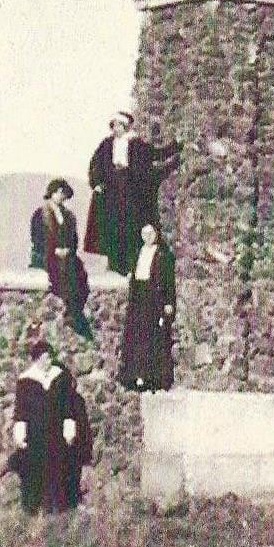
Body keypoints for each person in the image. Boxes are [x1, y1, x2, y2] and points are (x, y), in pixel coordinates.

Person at [84, 111, 180, 275]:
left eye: (119, 125)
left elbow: (154, 154)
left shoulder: (136, 144)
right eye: (114, 125)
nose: (116, 128)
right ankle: (114, 263)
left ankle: (129, 264)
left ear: (126, 126)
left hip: (129, 190)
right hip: (111, 191)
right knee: (112, 227)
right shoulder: (107, 144)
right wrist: (96, 183)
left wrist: (174, 148)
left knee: (130, 226)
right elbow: (95, 164)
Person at [10, 340, 94, 515]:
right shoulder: (26, 381)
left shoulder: (60, 377)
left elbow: (67, 405)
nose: (48, 361)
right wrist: (20, 433)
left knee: (59, 467)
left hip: (56, 432)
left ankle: (60, 505)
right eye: (44, 358)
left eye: (50, 357)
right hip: (36, 434)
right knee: (36, 468)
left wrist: (69, 428)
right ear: (36, 359)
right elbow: (21, 410)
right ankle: (35, 507)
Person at [30, 178, 92, 339]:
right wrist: (53, 250)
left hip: (66, 254)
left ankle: (74, 311)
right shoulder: (40, 214)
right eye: (58, 192)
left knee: (79, 272)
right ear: (52, 193)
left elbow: (74, 239)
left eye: (63, 193)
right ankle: (69, 309)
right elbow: (37, 238)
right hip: (46, 255)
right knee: (60, 272)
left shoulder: (68, 215)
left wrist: (68, 250)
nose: (61, 196)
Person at [119, 222, 176, 391]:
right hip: (138, 298)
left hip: (154, 299)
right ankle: (135, 375)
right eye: (144, 234)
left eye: (151, 233)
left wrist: (169, 302)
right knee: (136, 337)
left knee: (152, 338)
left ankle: (154, 377)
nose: (148, 237)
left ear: (156, 234)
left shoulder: (162, 255)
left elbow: (168, 282)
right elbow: (134, 273)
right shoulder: (139, 252)